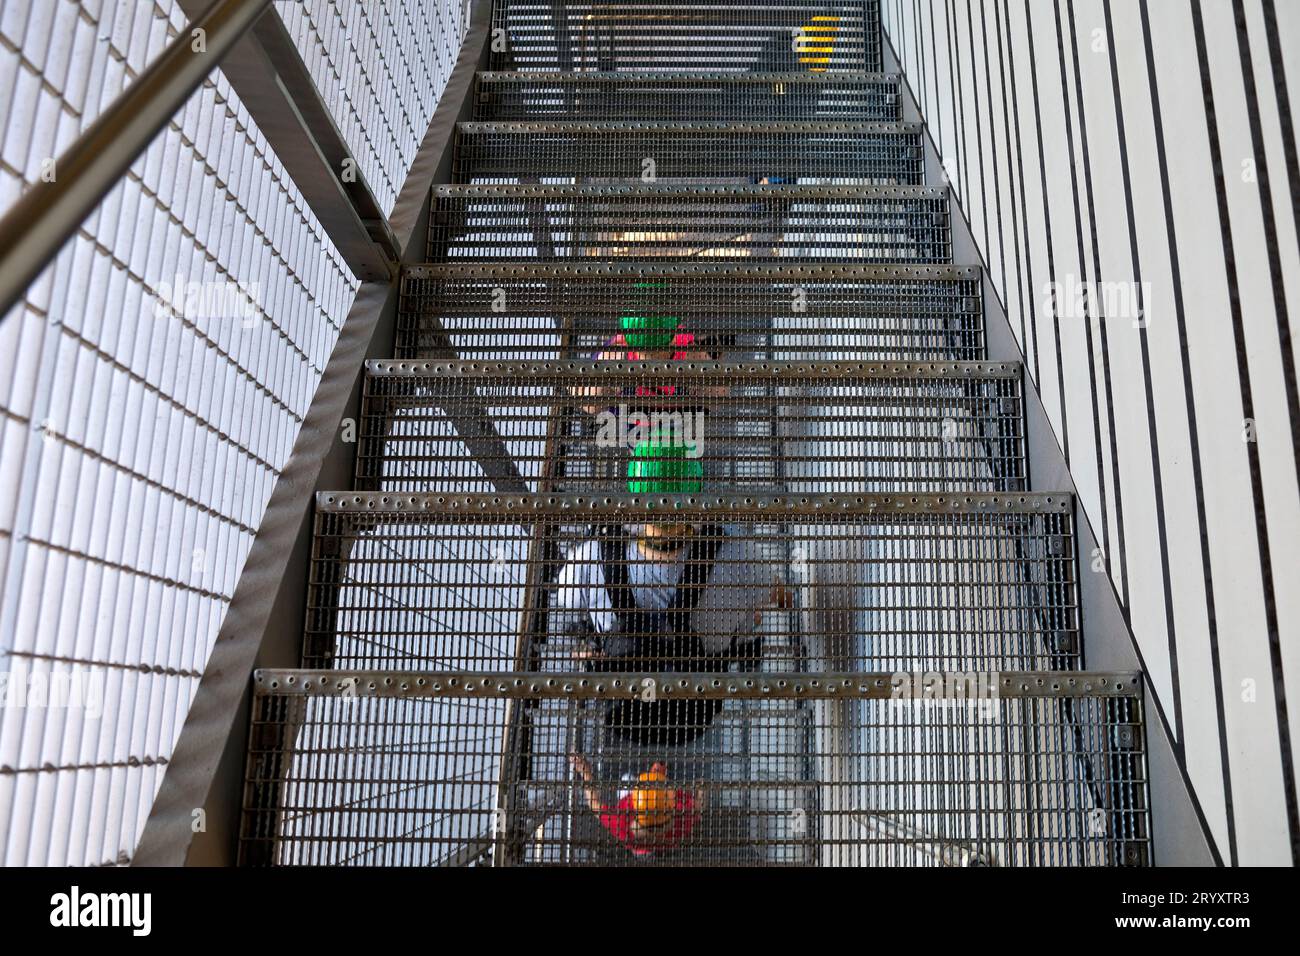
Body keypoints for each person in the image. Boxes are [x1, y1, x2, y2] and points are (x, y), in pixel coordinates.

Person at [552, 449, 792, 745]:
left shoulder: (594, 556)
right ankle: (746, 643)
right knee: (747, 612)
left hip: (630, 714)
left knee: (595, 627)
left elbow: (564, 596)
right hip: (693, 710)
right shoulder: (733, 552)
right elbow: (783, 597)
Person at [569, 754, 705, 857]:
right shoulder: (681, 819)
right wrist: (701, 789)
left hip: (645, 840)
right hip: (662, 841)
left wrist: (585, 772)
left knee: (626, 778)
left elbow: (594, 804)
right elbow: (699, 806)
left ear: (635, 799)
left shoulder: (621, 823)